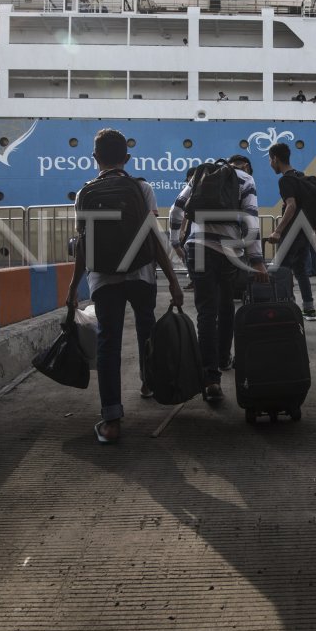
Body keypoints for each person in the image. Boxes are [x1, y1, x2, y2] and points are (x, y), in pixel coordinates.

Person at [68, 129, 184, 442]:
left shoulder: (84, 193)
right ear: (127, 159)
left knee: (109, 343)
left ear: (94, 158)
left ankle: (112, 421)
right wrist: (173, 281)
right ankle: (148, 382)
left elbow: (82, 246)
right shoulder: (142, 187)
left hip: (104, 279)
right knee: (147, 329)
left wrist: (71, 292)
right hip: (141, 274)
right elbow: (153, 238)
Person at [170, 154, 267, 402]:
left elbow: (177, 208)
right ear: (245, 166)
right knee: (226, 307)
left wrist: (175, 242)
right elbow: (251, 220)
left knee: (206, 311)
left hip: (197, 248)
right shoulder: (246, 180)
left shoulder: (203, 173)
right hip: (229, 252)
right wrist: (257, 260)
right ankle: (223, 359)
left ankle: (210, 378)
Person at [266, 142, 316, 321]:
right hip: (304, 233)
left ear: (275, 159)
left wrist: (277, 231)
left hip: (291, 234)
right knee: (300, 272)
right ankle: (309, 309)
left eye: (270, 160)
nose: (270, 164)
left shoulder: (285, 180)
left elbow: (292, 206)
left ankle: (284, 306)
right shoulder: (301, 176)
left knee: (278, 271)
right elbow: (308, 207)